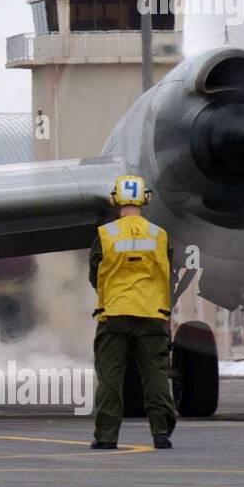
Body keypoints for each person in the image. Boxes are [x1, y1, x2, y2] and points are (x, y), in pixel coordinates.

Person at [88, 175, 177, 450]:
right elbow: (168, 272)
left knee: (110, 377)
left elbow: (95, 274)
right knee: (155, 374)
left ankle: (106, 437)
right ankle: (161, 433)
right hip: (152, 313)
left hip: (114, 313)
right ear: (145, 199)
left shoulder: (105, 235)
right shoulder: (159, 235)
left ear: (115, 199)